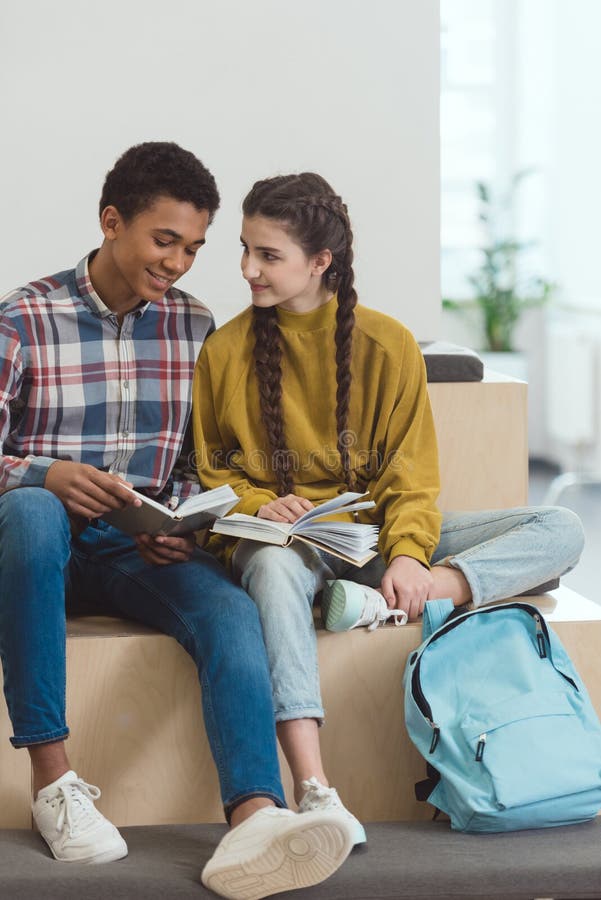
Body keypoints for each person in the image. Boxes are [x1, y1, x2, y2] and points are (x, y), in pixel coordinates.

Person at [0, 146, 355, 900]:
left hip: (135, 547)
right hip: (35, 546)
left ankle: (255, 815)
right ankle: (54, 782)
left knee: (229, 609)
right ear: (112, 222)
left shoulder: (196, 328)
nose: (181, 263)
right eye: (165, 240)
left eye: (194, 247)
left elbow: (201, 461)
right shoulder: (24, 318)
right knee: (31, 512)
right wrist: (43, 473)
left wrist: (184, 520)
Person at [192, 171, 586, 845]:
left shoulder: (387, 344)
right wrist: (264, 503)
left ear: (320, 263)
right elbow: (211, 471)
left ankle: (423, 590)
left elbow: (410, 475)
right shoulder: (224, 349)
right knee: (270, 566)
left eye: (268, 255)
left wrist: (409, 556)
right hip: (285, 545)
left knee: (559, 527)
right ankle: (314, 789)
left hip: (375, 541)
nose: (247, 269)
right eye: (245, 250)